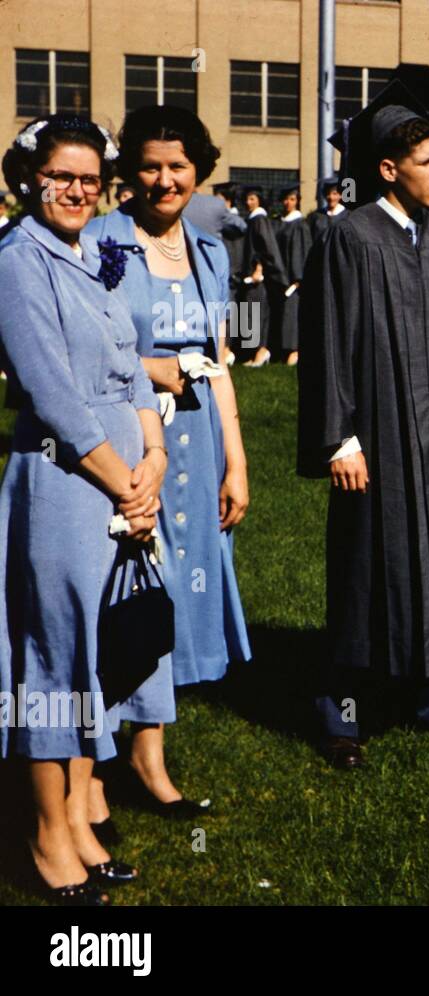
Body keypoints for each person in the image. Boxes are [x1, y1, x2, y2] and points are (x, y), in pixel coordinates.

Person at [298, 81, 429, 770]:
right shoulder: (348, 239)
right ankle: (340, 713)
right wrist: (339, 437)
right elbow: (325, 344)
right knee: (366, 570)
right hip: (375, 441)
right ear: (388, 168)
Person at [0, 114, 166, 904]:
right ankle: (44, 834)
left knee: (93, 660)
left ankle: (76, 818)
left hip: (126, 481)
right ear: (31, 179)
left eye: (90, 179)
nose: (77, 190)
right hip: (66, 485)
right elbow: (52, 393)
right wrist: (123, 481)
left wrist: (156, 459)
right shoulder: (17, 261)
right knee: (52, 660)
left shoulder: (89, 256)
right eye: (61, 176)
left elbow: (131, 368)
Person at [85, 103, 252, 818]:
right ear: (129, 171)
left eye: (177, 165)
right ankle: (94, 758)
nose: (163, 179)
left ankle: (148, 752)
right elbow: (88, 349)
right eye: (149, 165)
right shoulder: (100, 240)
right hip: (128, 442)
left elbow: (217, 363)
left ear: (199, 170)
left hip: (200, 443)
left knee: (178, 593)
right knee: (125, 586)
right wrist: (157, 371)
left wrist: (236, 459)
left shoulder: (211, 250)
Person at [236, 184, 285, 367]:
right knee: (250, 312)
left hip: (257, 277)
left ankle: (261, 351)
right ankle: (252, 352)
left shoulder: (260, 220)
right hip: (249, 276)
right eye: (247, 199)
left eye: (252, 199)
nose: (249, 202)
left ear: (259, 201)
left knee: (256, 312)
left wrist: (259, 267)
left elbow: (265, 248)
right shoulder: (252, 219)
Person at [273, 185, 312, 366]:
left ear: (297, 202)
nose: (288, 203)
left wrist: (298, 279)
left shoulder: (301, 225)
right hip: (278, 277)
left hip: (292, 281)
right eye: (286, 199)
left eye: (292, 199)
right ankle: (279, 349)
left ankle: (294, 350)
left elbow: (302, 252)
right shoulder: (278, 222)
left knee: (291, 314)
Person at [212, 182, 247, 367]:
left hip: (231, 272)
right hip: (223, 271)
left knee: (228, 312)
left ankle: (227, 349)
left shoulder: (233, 220)